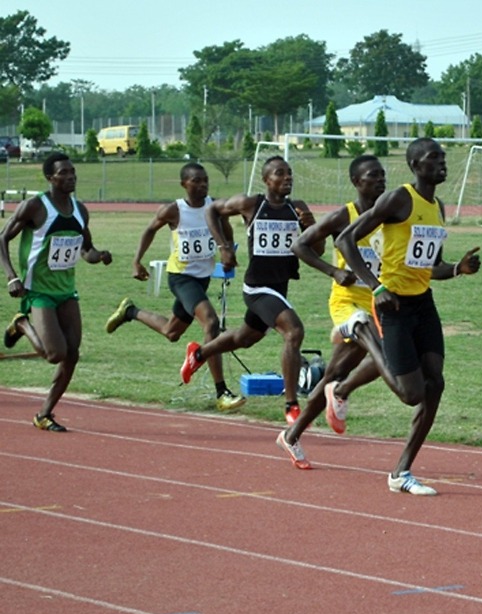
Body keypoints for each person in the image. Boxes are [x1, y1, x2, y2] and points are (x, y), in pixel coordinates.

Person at [335, 138, 481, 495]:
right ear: (416, 164)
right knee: (411, 394)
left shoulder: (438, 206)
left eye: (444, 157)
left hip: (423, 303)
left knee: (436, 383)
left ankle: (401, 471)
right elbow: (345, 240)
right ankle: (358, 355)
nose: (442, 162)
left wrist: (458, 269)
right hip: (392, 304)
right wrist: (376, 287)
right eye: (434, 157)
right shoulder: (399, 198)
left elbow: (431, 266)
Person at [275, 154, 405, 469]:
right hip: (347, 301)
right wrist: (333, 271)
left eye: (383, 175)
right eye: (373, 175)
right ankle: (345, 344)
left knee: (334, 374)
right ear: (356, 181)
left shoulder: (391, 217)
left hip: (378, 302)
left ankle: (291, 435)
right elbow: (301, 245)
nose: (381, 180)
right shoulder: (343, 216)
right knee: (379, 346)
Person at [179, 155, 321, 424]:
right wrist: (224, 247)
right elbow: (212, 210)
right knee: (294, 331)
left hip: (280, 287)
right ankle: (291, 404)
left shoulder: (298, 208)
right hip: (257, 287)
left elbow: (316, 250)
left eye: (290, 173)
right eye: (280, 173)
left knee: (245, 338)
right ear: (267, 180)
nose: (287, 178)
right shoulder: (251, 204)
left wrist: (311, 227)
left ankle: (199, 353)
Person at [104, 162, 245, 413]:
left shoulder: (214, 208)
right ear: (184, 184)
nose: (202, 185)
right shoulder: (173, 210)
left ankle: (130, 311)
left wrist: (227, 251)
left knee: (172, 332)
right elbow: (149, 230)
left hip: (202, 278)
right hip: (181, 277)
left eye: (205, 180)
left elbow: (227, 232)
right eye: (196, 181)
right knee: (211, 323)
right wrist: (136, 261)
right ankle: (221, 392)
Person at [0, 152, 113, 431]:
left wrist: (99, 256)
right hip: (37, 290)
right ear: (50, 177)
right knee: (55, 354)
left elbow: (86, 249)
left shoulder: (79, 210)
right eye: (63, 172)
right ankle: (23, 323)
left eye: (73, 171)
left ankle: (44, 414)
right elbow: (2, 238)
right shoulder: (35, 207)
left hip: (66, 291)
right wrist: (11, 277)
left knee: (72, 354)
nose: (71, 176)